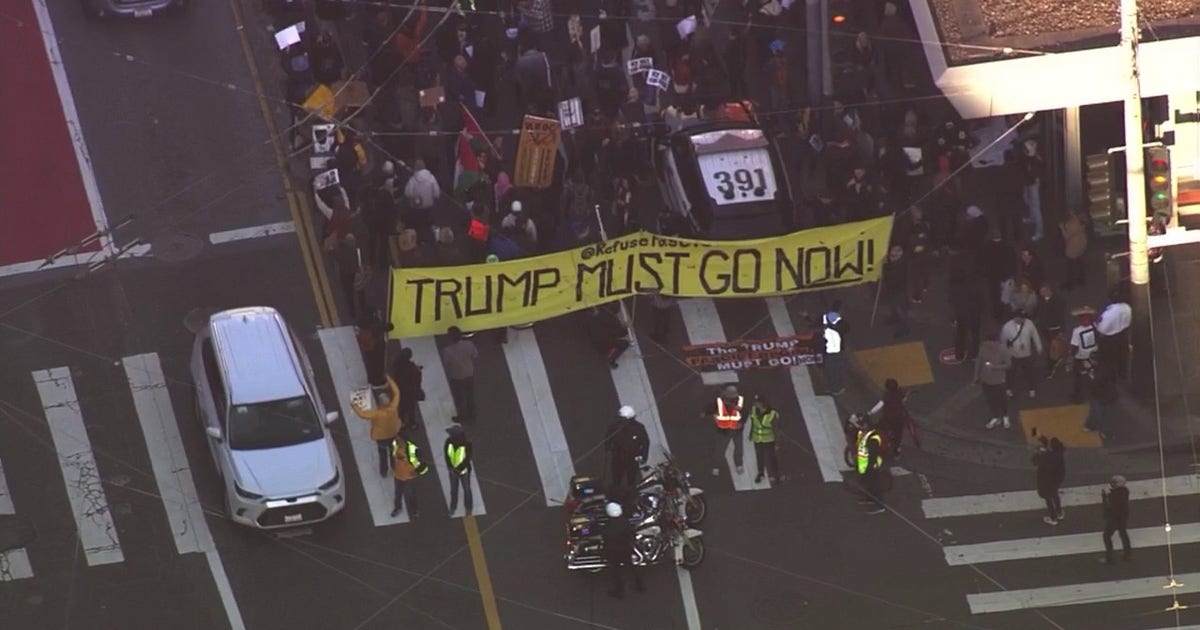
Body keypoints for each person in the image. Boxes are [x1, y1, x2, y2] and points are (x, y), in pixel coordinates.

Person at [351, 376, 402, 476]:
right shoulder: (393, 407)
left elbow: (363, 414)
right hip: (393, 433)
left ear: (380, 403)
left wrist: (354, 406)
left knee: (382, 455)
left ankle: (384, 472)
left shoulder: (376, 413)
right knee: (393, 452)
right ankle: (394, 467)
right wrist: (389, 379)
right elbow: (397, 393)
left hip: (381, 437)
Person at [600, 502, 643, 597]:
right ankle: (640, 584)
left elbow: (605, 537)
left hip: (614, 551)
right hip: (626, 548)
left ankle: (619, 590)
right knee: (631, 566)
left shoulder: (608, 526)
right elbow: (632, 534)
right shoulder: (625, 522)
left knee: (616, 571)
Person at [869, 379, 920, 457]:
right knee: (898, 436)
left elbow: (879, 405)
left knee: (878, 428)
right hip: (899, 419)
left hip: (887, 419)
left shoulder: (887, 396)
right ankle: (896, 450)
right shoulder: (899, 393)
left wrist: (870, 413)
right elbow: (904, 399)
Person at [606, 405, 650, 490]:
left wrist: (643, 456)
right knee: (616, 481)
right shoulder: (614, 428)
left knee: (632, 482)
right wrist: (609, 450)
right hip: (618, 459)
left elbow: (645, 442)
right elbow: (608, 440)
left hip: (632, 459)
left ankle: (632, 498)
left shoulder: (639, 428)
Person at [1001, 310, 1043, 399]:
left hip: (1026, 354)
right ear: (1015, 318)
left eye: (1023, 318)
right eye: (1020, 318)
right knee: (1011, 372)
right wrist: (1004, 354)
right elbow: (1003, 341)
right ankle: (1009, 388)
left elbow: (1035, 335)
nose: (1022, 320)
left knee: (1029, 372)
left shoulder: (1029, 323)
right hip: (1013, 354)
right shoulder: (1007, 327)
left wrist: (1038, 347)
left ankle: (1032, 389)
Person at [976, 329, 1012, 429]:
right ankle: (996, 416)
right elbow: (979, 361)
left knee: (1002, 399)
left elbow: (1008, 365)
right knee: (990, 399)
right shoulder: (983, 348)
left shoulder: (1002, 349)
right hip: (986, 380)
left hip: (999, 380)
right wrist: (976, 375)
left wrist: (994, 367)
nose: (987, 344)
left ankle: (1005, 416)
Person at [442, 326, 479, 422]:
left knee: (459, 398)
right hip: (469, 374)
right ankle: (472, 415)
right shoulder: (469, 344)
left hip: (456, 377)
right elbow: (475, 355)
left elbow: (446, 362)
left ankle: (462, 416)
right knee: (470, 396)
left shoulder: (448, 350)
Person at [948, 261, 983, 363]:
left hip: (962, 316)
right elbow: (980, 300)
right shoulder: (972, 286)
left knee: (960, 335)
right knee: (975, 335)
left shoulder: (953, 290)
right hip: (974, 315)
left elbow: (952, 303)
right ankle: (975, 354)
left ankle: (959, 354)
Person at [707, 385, 745, 478]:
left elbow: (745, 412)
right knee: (720, 449)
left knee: (739, 448)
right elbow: (713, 410)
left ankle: (739, 464)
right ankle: (716, 466)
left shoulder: (739, 402)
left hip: (736, 429)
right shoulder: (719, 402)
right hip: (724, 430)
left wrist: (741, 422)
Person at [853, 414, 887, 515]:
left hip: (871, 466)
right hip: (864, 464)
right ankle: (869, 498)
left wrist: (869, 467)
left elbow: (872, 455)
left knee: (875, 485)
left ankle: (880, 505)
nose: (859, 427)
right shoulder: (862, 433)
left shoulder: (873, 437)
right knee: (867, 483)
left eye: (861, 425)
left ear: (867, 424)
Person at [390, 433, 429, 518]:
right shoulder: (395, 445)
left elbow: (424, 465)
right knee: (398, 493)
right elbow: (392, 456)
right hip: (398, 475)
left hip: (409, 477)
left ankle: (415, 509)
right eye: (397, 439)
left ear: (404, 441)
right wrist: (393, 467)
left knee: (411, 494)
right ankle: (398, 508)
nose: (397, 441)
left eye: (399, 440)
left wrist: (417, 472)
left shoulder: (412, 450)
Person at [1096, 290, 1131, 380]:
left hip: (1109, 339)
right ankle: (1122, 375)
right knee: (1122, 356)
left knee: (1108, 359)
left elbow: (1102, 328)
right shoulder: (1127, 308)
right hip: (1123, 335)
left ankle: (1111, 378)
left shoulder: (1108, 314)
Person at [1068, 306, 1099, 402]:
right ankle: (1096, 393)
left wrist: (1071, 356)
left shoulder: (1077, 331)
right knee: (1094, 374)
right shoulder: (1095, 327)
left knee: (1079, 378)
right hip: (1094, 355)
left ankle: (1078, 397)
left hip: (1081, 357)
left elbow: (1074, 346)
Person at [1032, 436, 1066, 525]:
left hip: (1046, 481)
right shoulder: (1059, 453)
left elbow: (1035, 461)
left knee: (1048, 499)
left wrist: (1038, 452)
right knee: (1055, 495)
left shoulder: (1046, 457)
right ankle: (1059, 512)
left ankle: (1053, 518)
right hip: (1057, 479)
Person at [1100, 475, 1132, 564]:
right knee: (1123, 533)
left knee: (1106, 536)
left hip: (1114, 518)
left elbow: (1109, 506)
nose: (1111, 483)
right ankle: (1127, 553)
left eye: (1113, 482)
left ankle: (1109, 557)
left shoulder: (1113, 495)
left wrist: (1104, 496)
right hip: (1123, 517)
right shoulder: (1125, 492)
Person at [881, 245, 910, 338]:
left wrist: (884, 266)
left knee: (900, 311)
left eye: (893, 256)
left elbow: (891, 275)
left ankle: (904, 329)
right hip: (892, 289)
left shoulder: (900, 266)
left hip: (898, 291)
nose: (891, 258)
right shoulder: (897, 263)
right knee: (893, 307)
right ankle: (894, 318)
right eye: (891, 256)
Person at [748, 396, 780, 484]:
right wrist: (751, 433)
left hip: (768, 440)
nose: (755, 404)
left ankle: (775, 475)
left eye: (757, 402)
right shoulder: (754, 410)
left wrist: (777, 442)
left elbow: (775, 429)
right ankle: (761, 473)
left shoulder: (772, 414)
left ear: (762, 403)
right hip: (757, 439)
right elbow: (753, 423)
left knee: (771, 457)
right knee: (759, 457)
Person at [444, 425, 474, 514]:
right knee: (453, 490)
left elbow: (467, 459)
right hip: (453, 471)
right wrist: (450, 467)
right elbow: (447, 456)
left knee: (467, 489)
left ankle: (468, 508)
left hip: (464, 472)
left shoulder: (467, 444)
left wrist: (458, 469)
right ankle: (453, 507)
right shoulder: (448, 442)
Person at [821, 303, 847, 395]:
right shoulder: (840, 323)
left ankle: (832, 387)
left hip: (829, 349)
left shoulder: (827, 320)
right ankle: (836, 387)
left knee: (830, 369)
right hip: (835, 350)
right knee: (835, 369)